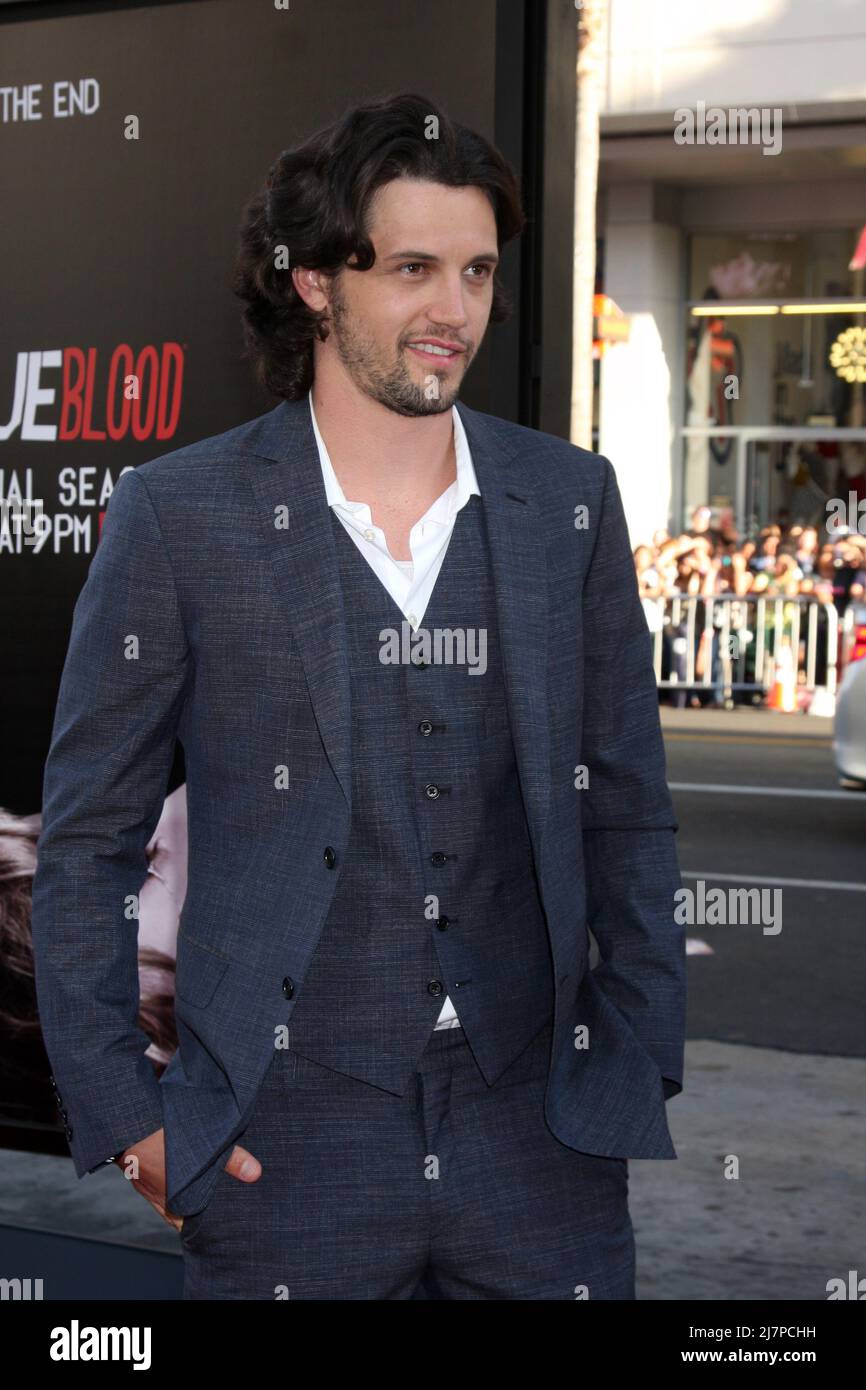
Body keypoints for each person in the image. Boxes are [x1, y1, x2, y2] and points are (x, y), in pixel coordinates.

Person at [29, 93, 685, 1301]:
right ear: (316, 283)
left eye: (479, 270)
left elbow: (629, 811)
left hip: (537, 1140)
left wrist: (633, 1062)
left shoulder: (567, 504)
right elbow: (86, 845)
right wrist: (133, 1118)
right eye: (413, 268)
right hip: (282, 1144)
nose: (456, 310)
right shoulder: (184, 517)